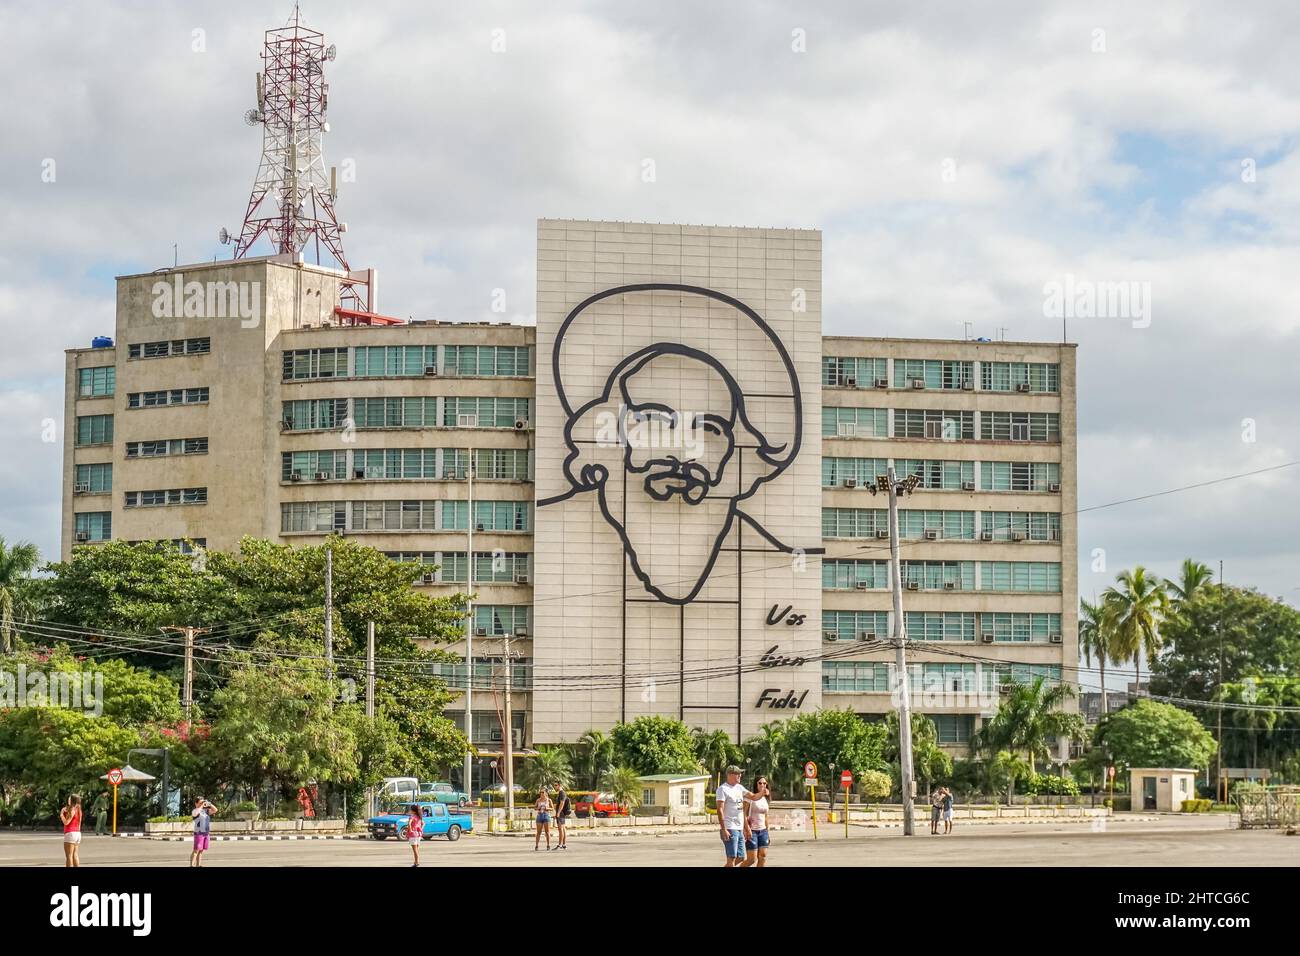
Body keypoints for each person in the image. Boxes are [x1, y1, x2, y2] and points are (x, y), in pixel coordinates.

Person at [716, 765, 753, 868]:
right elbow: (719, 810)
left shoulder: (739, 788)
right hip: (730, 828)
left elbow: (753, 796)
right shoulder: (722, 789)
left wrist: (763, 792)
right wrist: (724, 829)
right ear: (730, 775)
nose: (740, 775)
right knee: (731, 858)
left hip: (739, 828)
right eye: (737, 774)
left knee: (740, 857)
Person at [741, 775, 771, 868]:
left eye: (764, 783)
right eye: (760, 783)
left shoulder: (765, 798)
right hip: (752, 831)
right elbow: (744, 814)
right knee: (752, 859)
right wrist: (746, 829)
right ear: (756, 784)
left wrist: (767, 832)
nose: (762, 785)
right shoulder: (750, 796)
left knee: (763, 856)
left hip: (763, 831)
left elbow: (766, 816)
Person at [190, 796, 217, 867]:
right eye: (200, 802)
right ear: (196, 803)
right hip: (199, 833)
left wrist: (209, 804)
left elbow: (215, 810)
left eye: (202, 802)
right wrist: (201, 805)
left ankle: (198, 865)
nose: (202, 803)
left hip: (206, 833)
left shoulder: (206, 811)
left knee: (201, 850)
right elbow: (197, 812)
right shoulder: (195, 811)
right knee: (196, 850)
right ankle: (192, 865)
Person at [59, 795, 82, 867]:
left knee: (69, 856)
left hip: (70, 833)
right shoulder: (79, 809)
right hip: (77, 833)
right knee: (75, 854)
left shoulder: (72, 809)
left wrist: (61, 815)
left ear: (72, 800)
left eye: (70, 798)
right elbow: (79, 823)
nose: (68, 799)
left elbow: (66, 822)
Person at [534, 787, 553, 851]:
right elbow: (535, 808)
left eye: (543, 792)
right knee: (538, 832)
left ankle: (548, 845)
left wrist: (547, 808)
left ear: (546, 793)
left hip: (546, 815)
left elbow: (552, 808)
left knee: (547, 832)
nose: (541, 793)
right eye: (540, 792)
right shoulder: (538, 800)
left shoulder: (549, 800)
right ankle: (536, 846)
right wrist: (538, 808)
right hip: (539, 815)